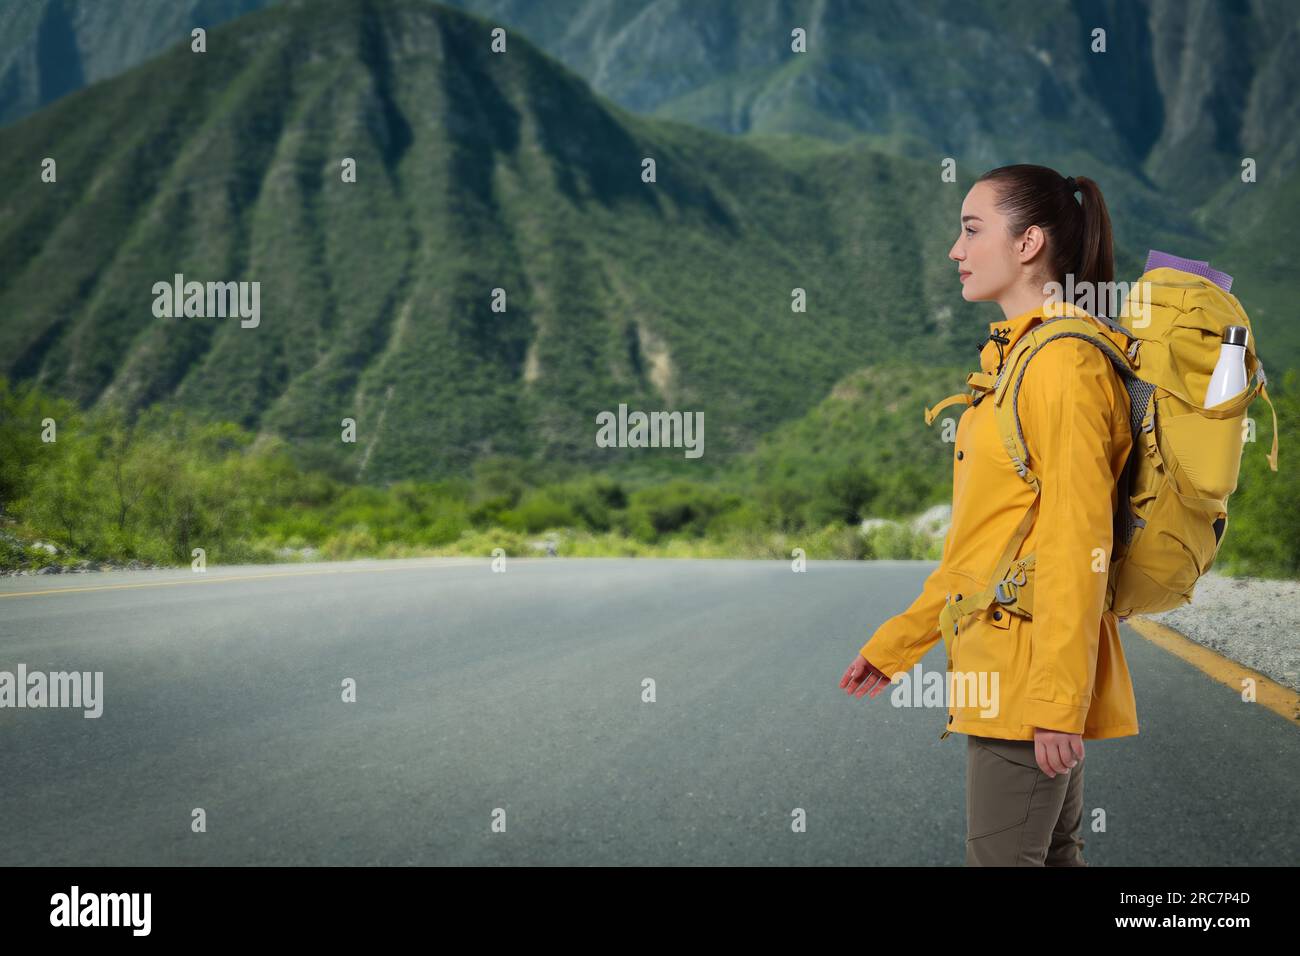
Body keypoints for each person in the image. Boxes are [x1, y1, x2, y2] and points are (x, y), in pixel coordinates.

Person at [839, 165, 1139, 866]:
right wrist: (897, 645)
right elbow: (980, 550)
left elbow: (1077, 540)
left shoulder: (1062, 366)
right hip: (1005, 672)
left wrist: (1056, 703)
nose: (956, 249)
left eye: (972, 229)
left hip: (1024, 684)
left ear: (1029, 241)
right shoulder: (1019, 359)